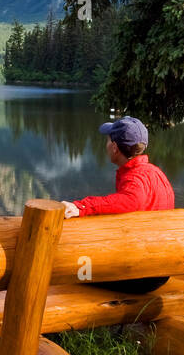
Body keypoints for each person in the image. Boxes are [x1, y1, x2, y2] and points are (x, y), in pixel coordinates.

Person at [62, 116, 175, 293]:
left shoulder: (135, 178)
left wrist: (82, 207)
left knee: (72, 269)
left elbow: (130, 200)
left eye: (108, 140)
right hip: (162, 269)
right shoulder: (155, 172)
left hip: (142, 276)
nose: (106, 144)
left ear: (114, 148)